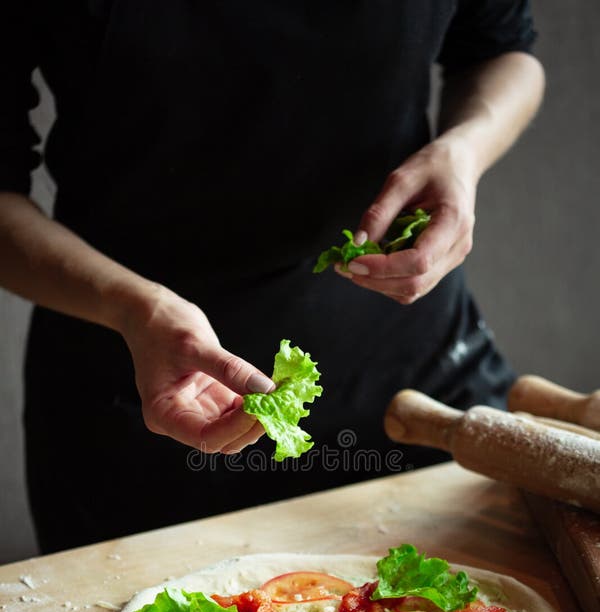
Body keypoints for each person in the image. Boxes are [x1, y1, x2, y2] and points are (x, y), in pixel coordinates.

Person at [0, 2, 545, 554]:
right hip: (147, 385)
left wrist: (463, 150)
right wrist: (131, 307)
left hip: (414, 374)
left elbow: (502, 49)